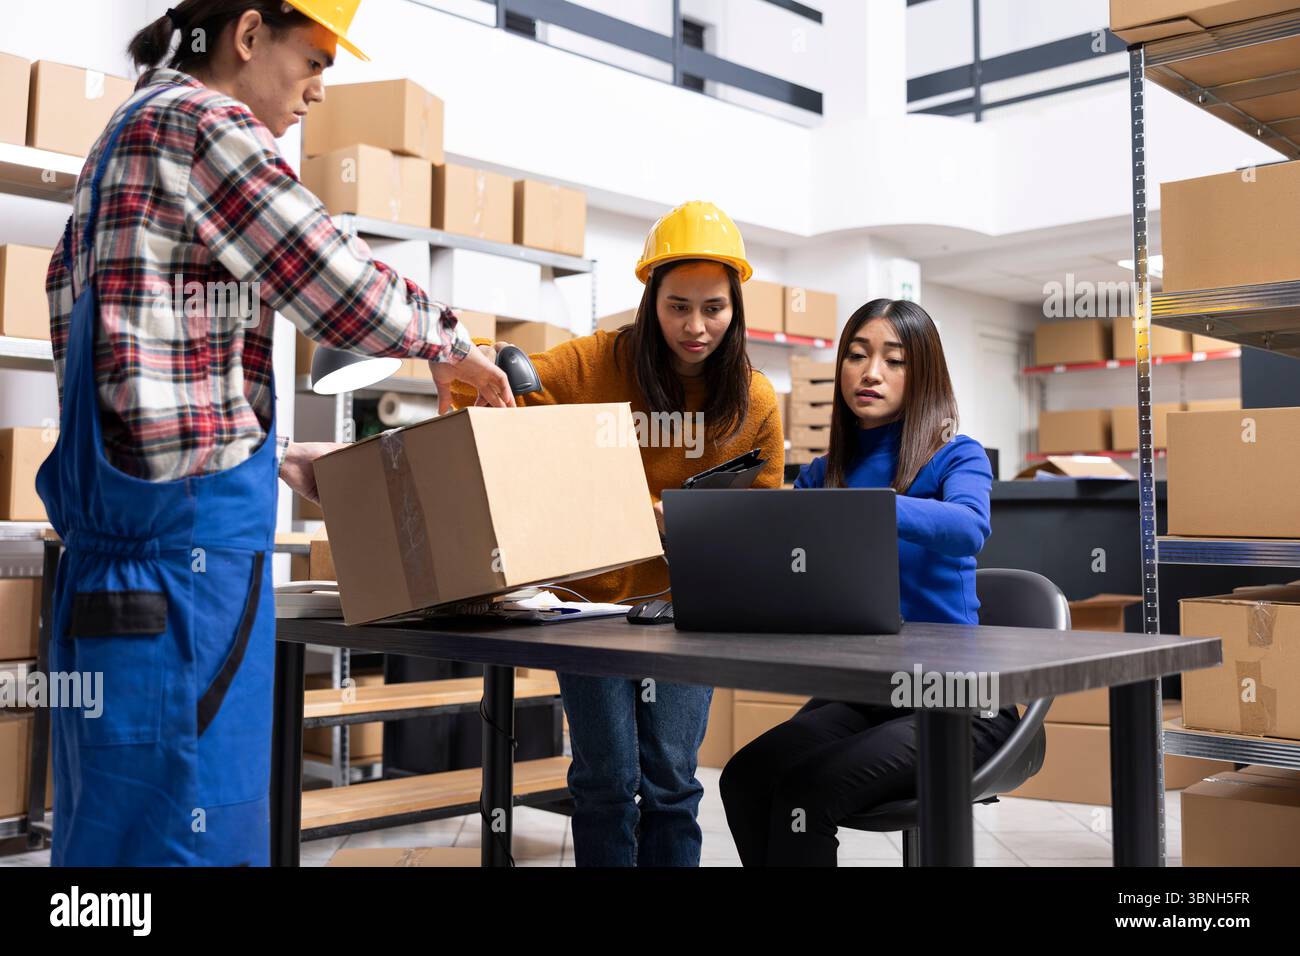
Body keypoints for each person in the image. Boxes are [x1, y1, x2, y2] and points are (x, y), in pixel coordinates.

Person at [37, 0, 511, 866]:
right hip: (184, 577)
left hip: (114, 572)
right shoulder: (201, 119)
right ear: (247, 36)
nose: (321, 90)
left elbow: (132, 358)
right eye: (316, 59)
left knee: (109, 844)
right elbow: (329, 273)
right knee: (194, 829)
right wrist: (449, 345)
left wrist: (274, 454)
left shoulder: (120, 137)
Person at [454, 201, 785, 865]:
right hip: (591, 610)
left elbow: (767, 519)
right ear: (650, 299)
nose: (696, 327)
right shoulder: (596, 364)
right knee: (605, 783)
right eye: (678, 305)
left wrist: (690, 522)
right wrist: (480, 362)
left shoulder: (754, 399)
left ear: (735, 308)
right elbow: (480, 388)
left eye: (714, 308)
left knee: (671, 784)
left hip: (686, 611)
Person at [718, 298, 1018, 866]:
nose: (871, 372)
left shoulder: (956, 456)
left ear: (923, 372)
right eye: (856, 355)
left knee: (808, 791)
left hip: (960, 698)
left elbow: (968, 527)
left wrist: (865, 508)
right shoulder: (822, 473)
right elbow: (778, 558)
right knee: (747, 777)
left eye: (894, 360)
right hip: (870, 693)